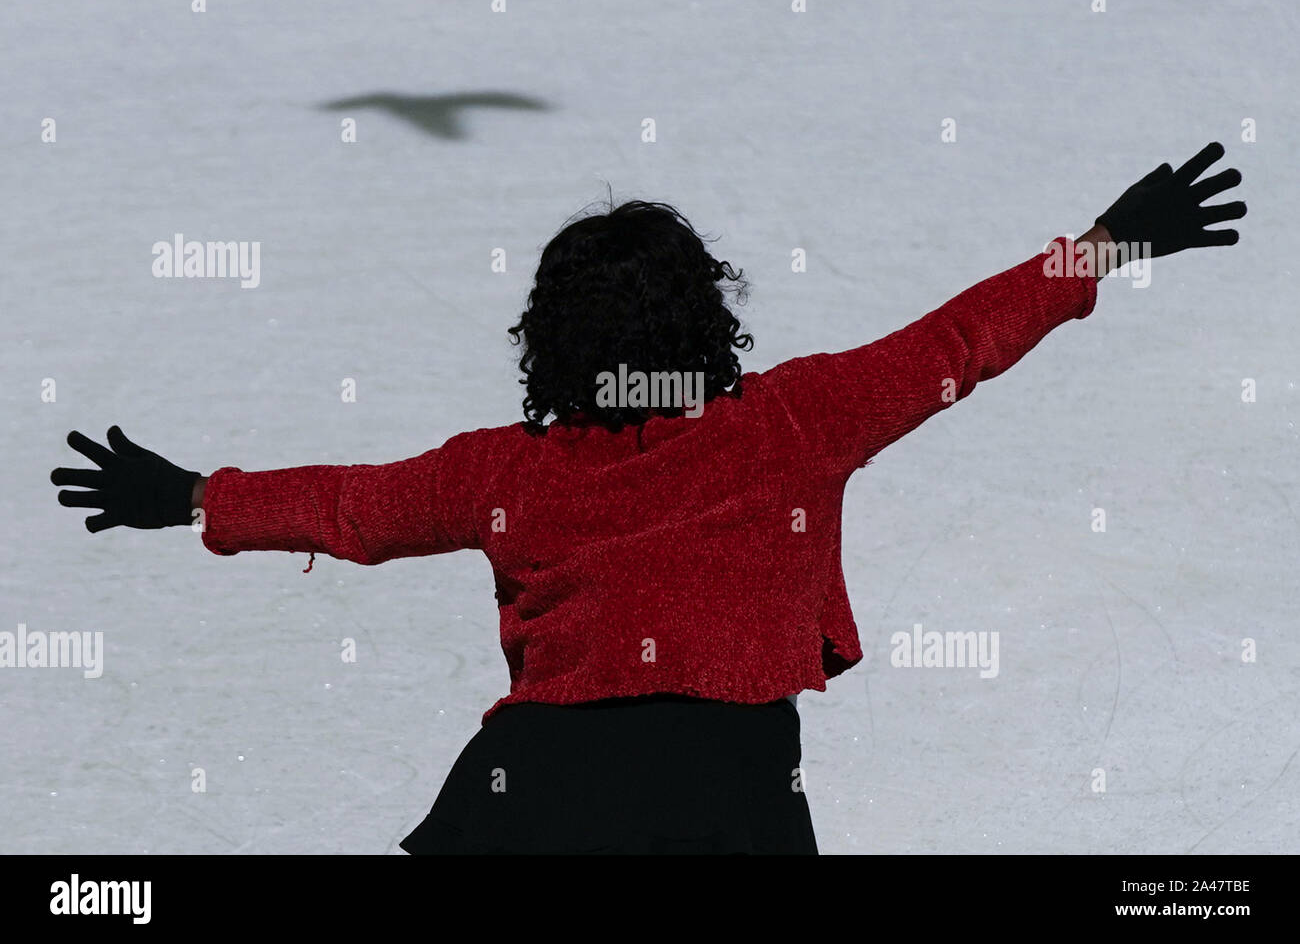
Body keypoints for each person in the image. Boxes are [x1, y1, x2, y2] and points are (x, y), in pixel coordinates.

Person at [51, 142, 1245, 854]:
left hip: (530, 797)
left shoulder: (508, 470)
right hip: (731, 794)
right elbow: (960, 342)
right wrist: (1100, 246)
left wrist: (200, 494)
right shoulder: (790, 421)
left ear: (550, 341)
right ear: (707, 322)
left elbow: (356, 508)